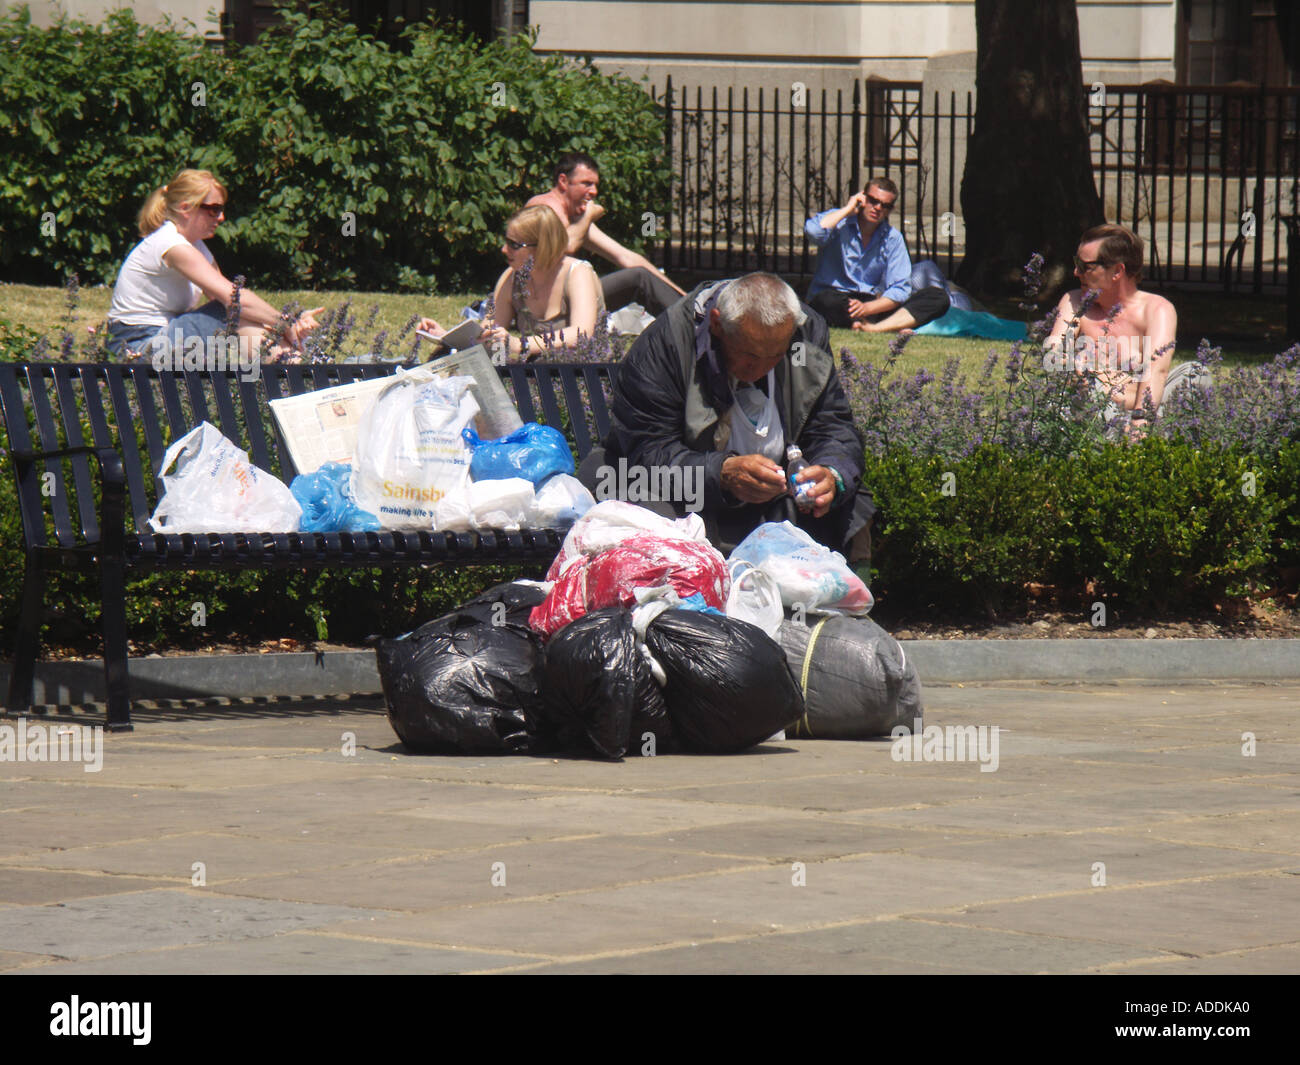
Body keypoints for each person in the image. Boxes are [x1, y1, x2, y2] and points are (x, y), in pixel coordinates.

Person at [582, 272, 875, 561]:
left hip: (774, 495)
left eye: (775, 355)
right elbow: (647, 452)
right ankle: (690, 598)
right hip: (689, 495)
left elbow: (833, 425)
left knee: (850, 497)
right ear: (717, 324)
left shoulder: (804, 334)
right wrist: (720, 473)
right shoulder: (667, 344)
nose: (760, 369)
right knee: (646, 507)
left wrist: (831, 473)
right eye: (749, 355)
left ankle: (837, 604)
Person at [106, 169, 321, 360]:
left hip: (162, 339)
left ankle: (298, 365)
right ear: (185, 208)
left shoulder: (195, 246)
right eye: (214, 209)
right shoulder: (171, 245)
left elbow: (235, 302)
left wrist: (291, 323)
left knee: (238, 310)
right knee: (232, 307)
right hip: (135, 347)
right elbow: (234, 300)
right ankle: (299, 368)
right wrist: (287, 324)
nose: (221, 217)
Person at [1044, 223, 1194, 431]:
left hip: (1145, 413)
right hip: (1089, 415)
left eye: (1085, 266)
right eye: (1076, 263)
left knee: (1196, 373)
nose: (1076, 272)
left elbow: (1157, 372)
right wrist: (1112, 387)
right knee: (1080, 389)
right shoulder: (1074, 301)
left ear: (1117, 270)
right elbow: (1054, 356)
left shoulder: (1157, 310)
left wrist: (1139, 421)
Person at [420, 205, 605, 360]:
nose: (503, 249)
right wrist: (446, 336)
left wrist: (520, 345)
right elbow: (487, 331)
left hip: (582, 370)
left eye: (514, 245)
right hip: (538, 367)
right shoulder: (511, 277)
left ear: (542, 246)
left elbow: (582, 333)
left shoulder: (577, 273)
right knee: (448, 357)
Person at [527, 152, 685, 316]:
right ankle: (691, 322)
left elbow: (626, 258)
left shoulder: (576, 218)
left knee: (640, 275)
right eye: (586, 183)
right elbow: (565, 246)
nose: (594, 191)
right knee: (639, 279)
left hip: (566, 301)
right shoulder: (543, 207)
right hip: (543, 306)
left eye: (595, 185)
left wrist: (682, 296)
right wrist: (588, 216)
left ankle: (690, 313)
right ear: (563, 181)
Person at [804, 177, 950, 332]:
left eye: (885, 205)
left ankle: (875, 328)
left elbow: (900, 289)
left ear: (890, 210)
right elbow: (814, 232)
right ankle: (883, 325)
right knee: (825, 300)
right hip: (836, 299)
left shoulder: (893, 238)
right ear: (862, 198)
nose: (878, 208)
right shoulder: (839, 221)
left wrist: (867, 308)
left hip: (871, 304)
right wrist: (847, 209)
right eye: (873, 201)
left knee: (938, 297)